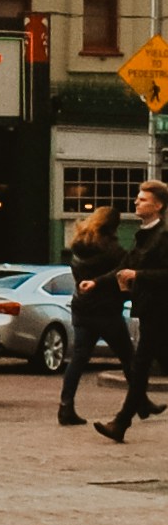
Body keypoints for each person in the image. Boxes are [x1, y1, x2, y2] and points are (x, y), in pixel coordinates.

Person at [98, 177, 164, 443]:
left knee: (139, 367)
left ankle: (121, 422)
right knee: (140, 367)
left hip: (162, 311)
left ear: (158, 205)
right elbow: (122, 267)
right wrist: (96, 283)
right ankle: (124, 420)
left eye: (143, 198)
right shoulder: (143, 236)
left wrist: (138, 274)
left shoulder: (164, 236)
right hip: (150, 310)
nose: (136, 201)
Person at [61, 204, 135, 429]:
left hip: (82, 309)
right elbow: (122, 272)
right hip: (106, 311)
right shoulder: (112, 249)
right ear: (114, 225)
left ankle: (65, 406)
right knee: (128, 357)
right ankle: (140, 400)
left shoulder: (79, 244)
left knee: (78, 358)